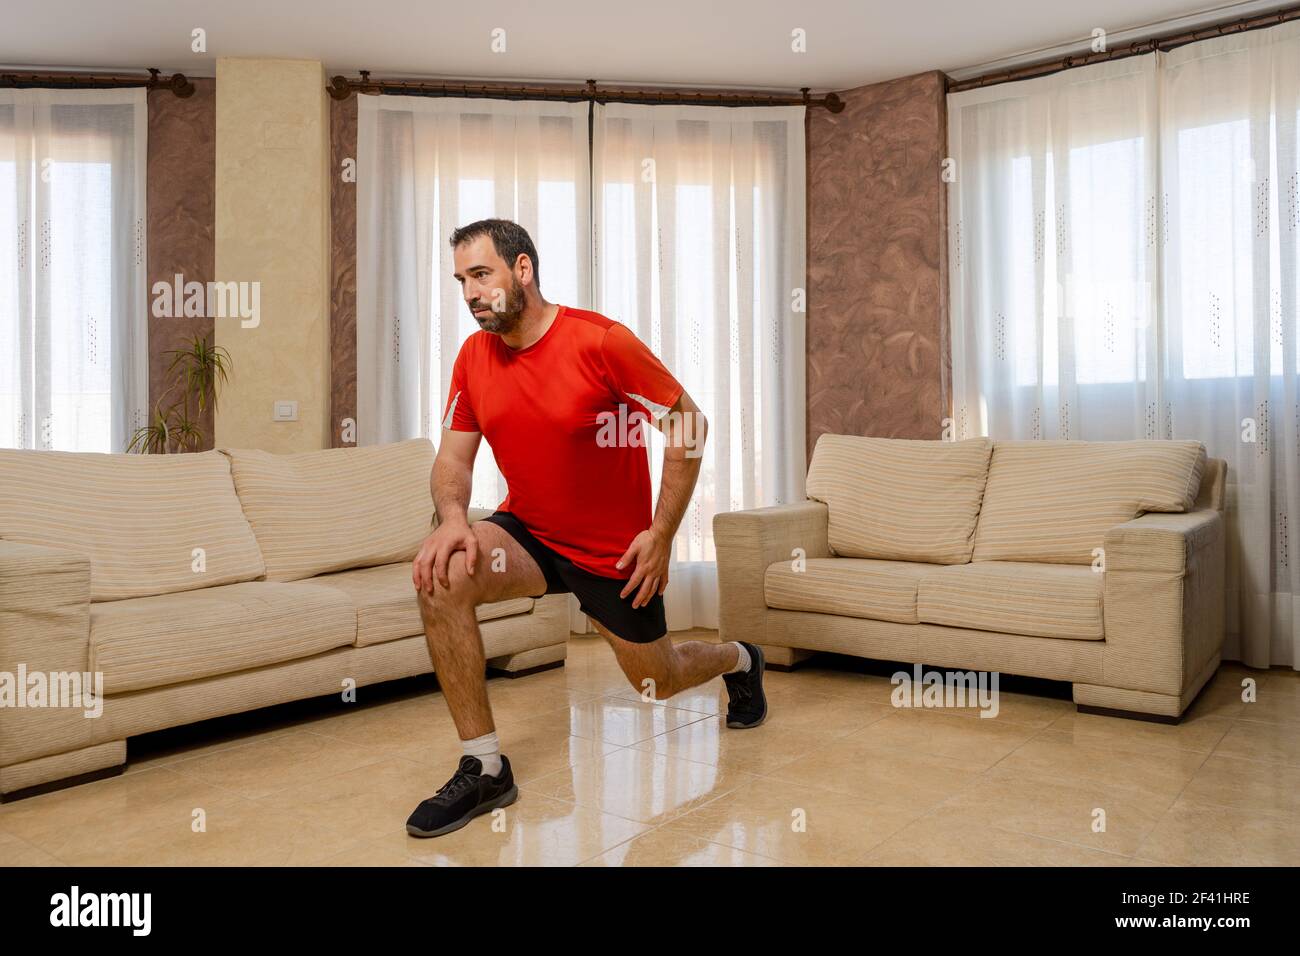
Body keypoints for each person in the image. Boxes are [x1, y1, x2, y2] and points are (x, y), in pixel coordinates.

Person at [405, 218, 766, 838]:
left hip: (611, 553)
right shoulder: (473, 357)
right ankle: (486, 765)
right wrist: (454, 522)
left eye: (481, 274)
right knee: (441, 575)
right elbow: (453, 458)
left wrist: (661, 534)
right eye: (461, 280)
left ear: (523, 270)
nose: (469, 293)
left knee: (660, 678)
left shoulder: (601, 343)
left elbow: (690, 427)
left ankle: (740, 660)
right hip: (529, 533)